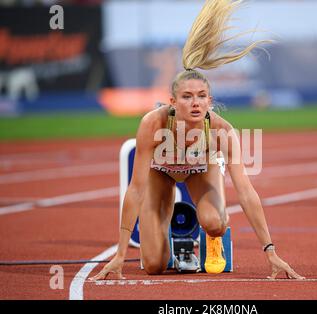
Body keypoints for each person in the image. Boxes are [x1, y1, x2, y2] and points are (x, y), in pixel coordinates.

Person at [91, 0, 304, 280]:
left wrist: (270, 251)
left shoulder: (221, 130)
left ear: (210, 101)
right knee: (155, 265)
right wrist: (119, 256)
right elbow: (135, 189)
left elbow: (246, 191)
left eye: (201, 96)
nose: (195, 103)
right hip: (161, 174)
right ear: (172, 101)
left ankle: (213, 238)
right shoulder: (152, 123)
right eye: (187, 96)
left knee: (214, 223)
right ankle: (167, 228)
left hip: (200, 173)